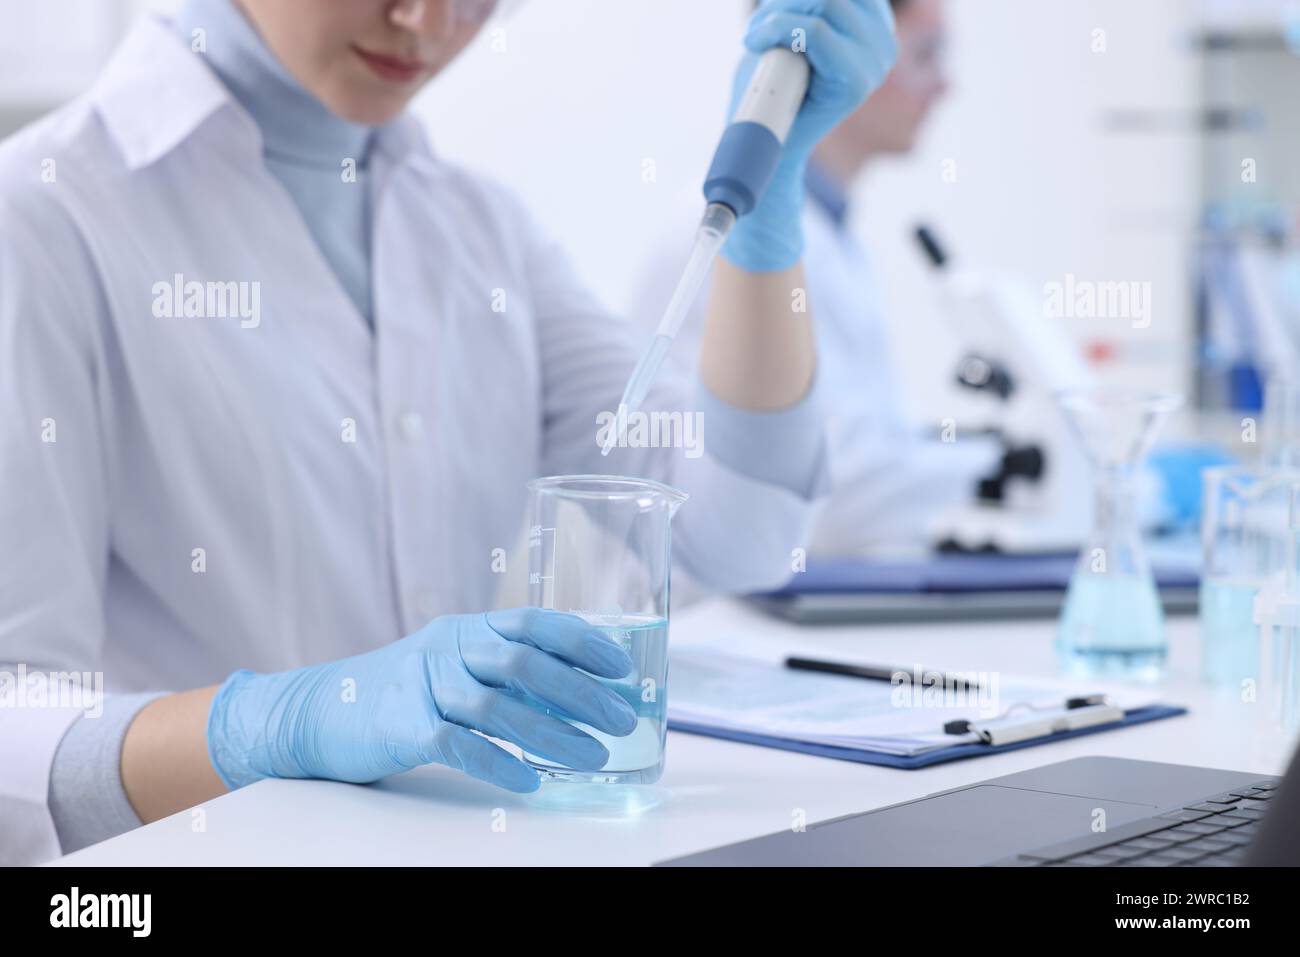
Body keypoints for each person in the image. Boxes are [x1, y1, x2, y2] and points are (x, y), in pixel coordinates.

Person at [0, 0, 897, 864]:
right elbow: (14, 736)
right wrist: (265, 727)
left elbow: (741, 535)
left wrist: (766, 220)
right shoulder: (43, 215)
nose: (428, 21)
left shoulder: (481, 232)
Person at [633, 0, 1002, 558]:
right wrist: (1017, 472)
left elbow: (873, 451)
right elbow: (839, 497)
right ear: (835, 46)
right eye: (926, 55)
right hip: (715, 614)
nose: (945, 86)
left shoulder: (835, 238)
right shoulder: (730, 229)